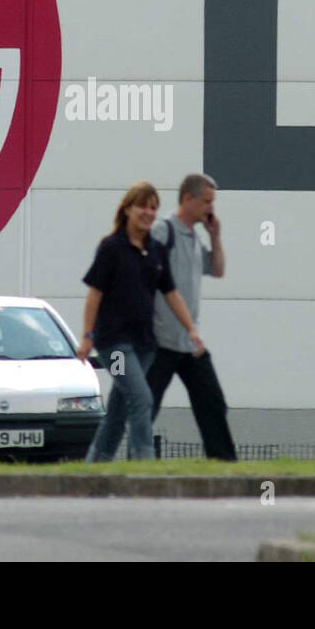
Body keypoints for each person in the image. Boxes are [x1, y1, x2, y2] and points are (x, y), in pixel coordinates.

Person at [78, 182, 203, 461]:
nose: (148, 213)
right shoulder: (111, 248)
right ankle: (143, 464)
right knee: (141, 397)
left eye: (153, 208)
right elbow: (94, 295)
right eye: (142, 206)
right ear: (127, 210)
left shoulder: (155, 250)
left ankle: (94, 467)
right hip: (115, 346)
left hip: (145, 345)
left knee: (119, 410)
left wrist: (191, 330)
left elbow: (171, 294)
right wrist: (86, 336)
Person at [147, 173, 236, 460]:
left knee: (212, 402)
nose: (210, 208)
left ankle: (224, 463)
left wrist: (215, 236)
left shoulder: (196, 239)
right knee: (145, 406)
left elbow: (219, 270)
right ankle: (139, 457)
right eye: (206, 202)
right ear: (188, 199)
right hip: (161, 340)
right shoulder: (163, 231)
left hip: (189, 342)